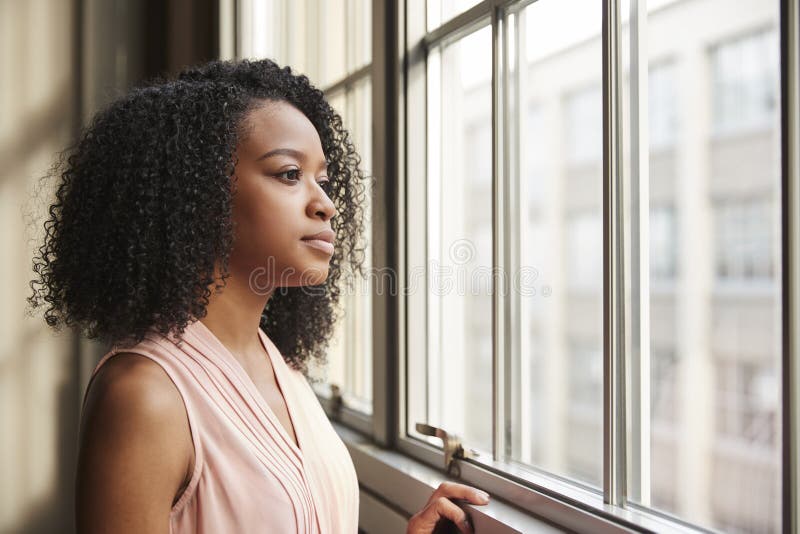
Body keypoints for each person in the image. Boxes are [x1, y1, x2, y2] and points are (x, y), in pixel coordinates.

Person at [28, 58, 489, 533]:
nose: (325, 204)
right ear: (201, 193)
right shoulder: (145, 396)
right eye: (289, 174)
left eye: (324, 181)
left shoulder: (280, 368)